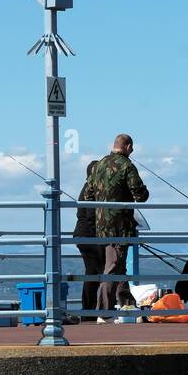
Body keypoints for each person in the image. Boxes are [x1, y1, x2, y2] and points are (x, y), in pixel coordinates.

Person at [83, 134, 149, 320]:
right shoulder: (127, 165)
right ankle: (104, 312)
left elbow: (88, 195)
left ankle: (128, 305)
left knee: (118, 266)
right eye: (132, 148)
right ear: (127, 146)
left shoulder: (99, 165)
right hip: (120, 226)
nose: (132, 151)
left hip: (102, 226)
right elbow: (140, 195)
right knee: (113, 267)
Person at [73, 159, 104, 315]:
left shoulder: (86, 188)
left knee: (92, 272)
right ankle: (92, 310)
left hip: (82, 235)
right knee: (98, 272)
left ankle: (89, 310)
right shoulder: (92, 189)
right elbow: (92, 216)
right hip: (90, 236)